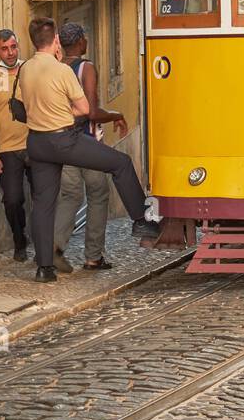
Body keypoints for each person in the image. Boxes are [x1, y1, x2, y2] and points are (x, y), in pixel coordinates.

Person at [19, 16, 160, 283]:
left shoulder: (25, 68)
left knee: (44, 204)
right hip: (64, 139)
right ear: (56, 41)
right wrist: (62, 112)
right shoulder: (61, 70)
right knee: (120, 163)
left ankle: (44, 269)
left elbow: (19, 107)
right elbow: (85, 110)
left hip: (37, 142)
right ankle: (142, 221)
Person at [52, 23, 128, 273]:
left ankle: (55, 248)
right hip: (87, 142)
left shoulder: (56, 68)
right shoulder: (86, 68)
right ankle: (93, 257)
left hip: (63, 142)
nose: (87, 41)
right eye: (85, 37)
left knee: (69, 196)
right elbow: (92, 111)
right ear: (80, 42)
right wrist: (116, 114)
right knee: (98, 195)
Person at [0, 28, 32, 262]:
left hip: (35, 143)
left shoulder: (30, 70)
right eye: (4, 48)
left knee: (44, 195)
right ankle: (19, 239)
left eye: (13, 47)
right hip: (7, 150)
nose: (10, 52)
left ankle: (44, 241)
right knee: (12, 199)